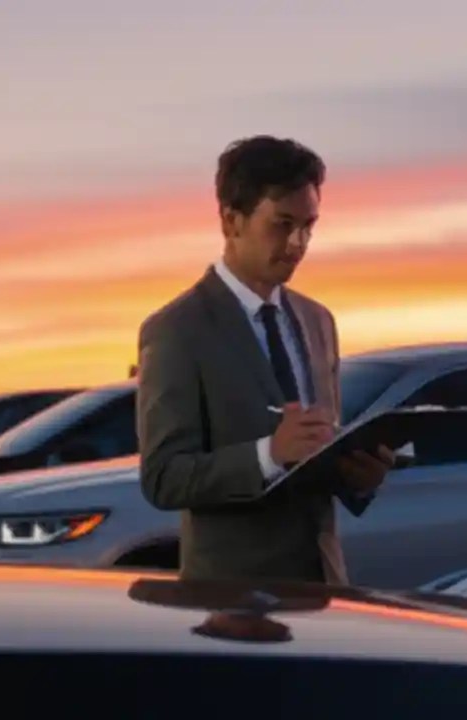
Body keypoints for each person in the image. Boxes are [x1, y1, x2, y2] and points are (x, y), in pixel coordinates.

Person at [136, 135, 395, 585]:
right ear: (231, 221)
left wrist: (359, 477)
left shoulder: (318, 321)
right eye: (283, 224)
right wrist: (268, 454)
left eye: (309, 226)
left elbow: (316, 452)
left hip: (325, 589)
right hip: (233, 599)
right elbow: (163, 477)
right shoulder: (177, 329)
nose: (298, 243)